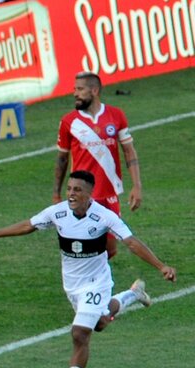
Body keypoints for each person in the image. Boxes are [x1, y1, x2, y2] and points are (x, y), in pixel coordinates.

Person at [0, 171, 176, 368]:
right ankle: (133, 294)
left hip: (97, 282)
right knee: (101, 322)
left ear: (89, 193)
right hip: (72, 285)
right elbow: (28, 225)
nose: (71, 193)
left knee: (80, 334)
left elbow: (131, 242)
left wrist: (161, 266)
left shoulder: (104, 216)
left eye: (77, 190)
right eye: (69, 189)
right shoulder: (58, 212)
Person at [55, 71, 142, 259]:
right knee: (88, 248)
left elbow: (129, 151)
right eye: (74, 89)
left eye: (80, 89)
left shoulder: (116, 115)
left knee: (110, 250)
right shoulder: (69, 121)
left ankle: (96, 284)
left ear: (94, 90)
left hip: (109, 194)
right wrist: (56, 193)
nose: (75, 93)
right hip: (83, 195)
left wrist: (137, 186)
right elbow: (62, 159)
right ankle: (88, 285)